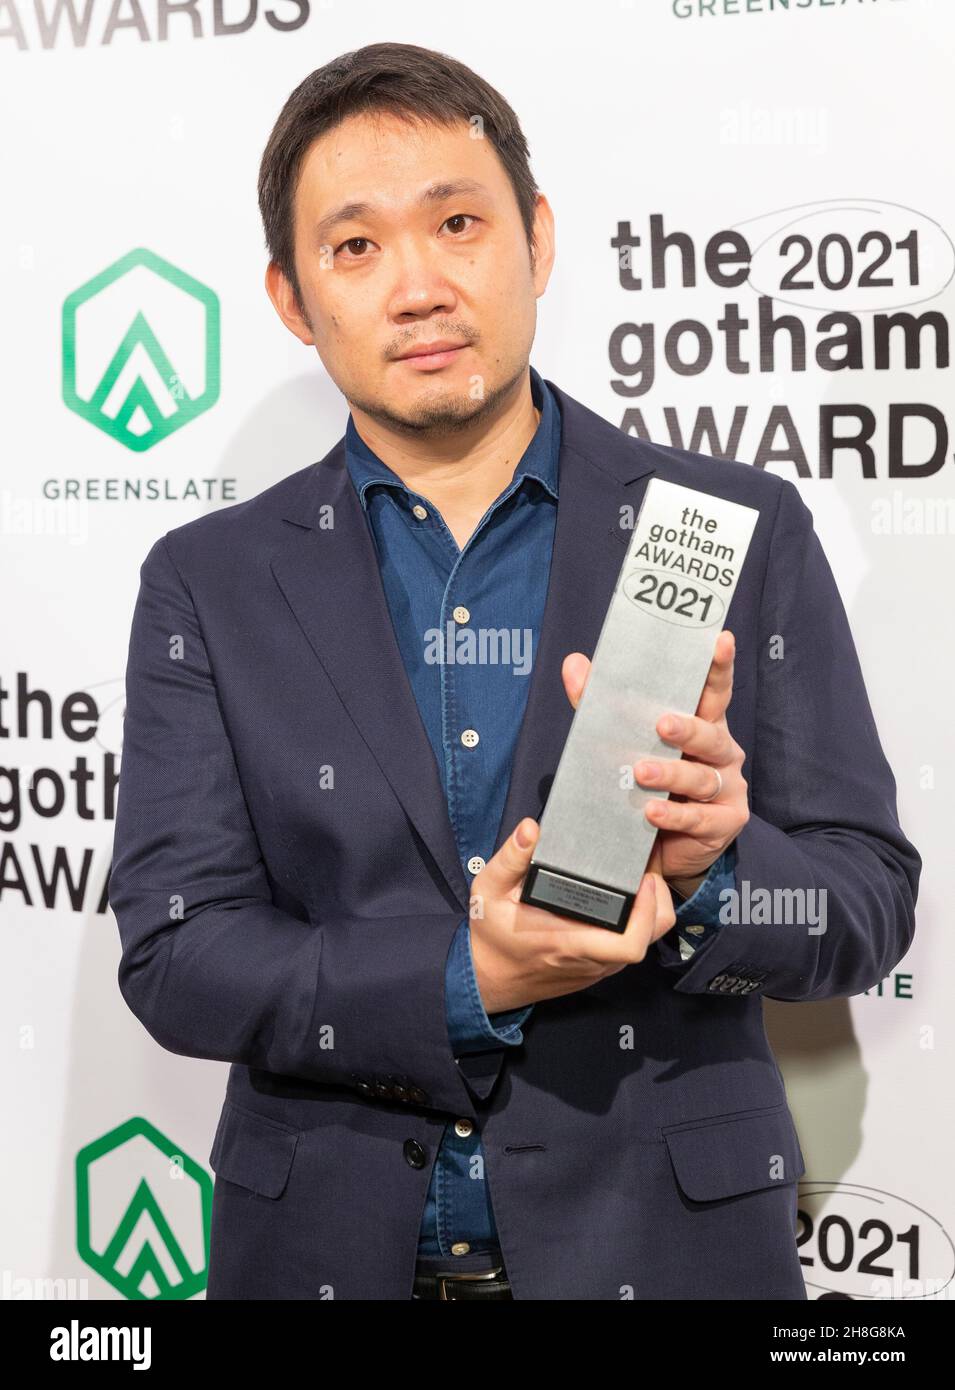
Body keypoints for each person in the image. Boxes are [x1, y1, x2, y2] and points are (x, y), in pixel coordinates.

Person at [108, 42, 920, 1301]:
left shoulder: (725, 523)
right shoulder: (210, 578)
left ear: (537, 240)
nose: (420, 285)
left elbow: (862, 907)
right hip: (320, 1254)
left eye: (459, 222)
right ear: (289, 296)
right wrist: (461, 979)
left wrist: (715, 871)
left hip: (668, 1255)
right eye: (356, 247)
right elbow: (177, 951)